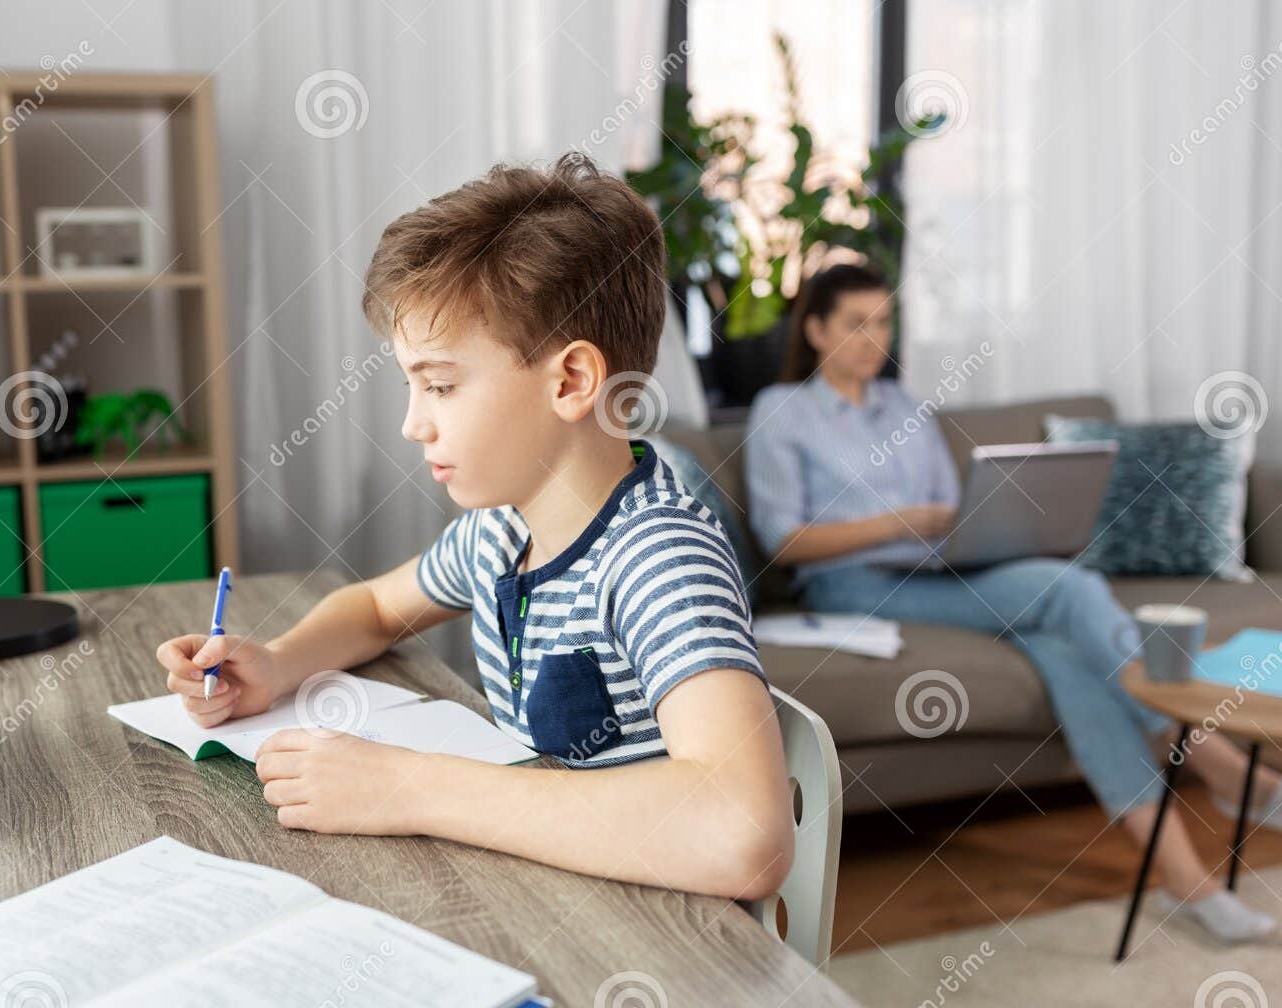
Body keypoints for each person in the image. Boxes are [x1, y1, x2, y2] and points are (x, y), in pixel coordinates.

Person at [155, 154, 792, 900]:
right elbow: (376, 608)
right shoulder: (500, 531)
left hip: (657, 944)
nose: (412, 423)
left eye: (442, 384)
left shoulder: (659, 556)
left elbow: (744, 830)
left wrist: (407, 786)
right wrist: (275, 664)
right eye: (411, 385)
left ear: (571, 381)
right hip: (546, 898)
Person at [746, 262, 1280, 944]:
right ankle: (1218, 760)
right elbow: (784, 538)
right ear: (816, 329)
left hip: (942, 568)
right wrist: (898, 521)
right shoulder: (780, 411)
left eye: (883, 321)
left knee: (1063, 654)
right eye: (856, 323)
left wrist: (973, 527)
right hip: (854, 584)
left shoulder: (907, 408)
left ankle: (1188, 880)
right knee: (1072, 587)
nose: (872, 338)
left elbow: (956, 504)